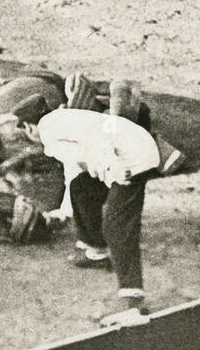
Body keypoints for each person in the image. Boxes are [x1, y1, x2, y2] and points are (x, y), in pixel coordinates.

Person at [52, 77, 161, 325]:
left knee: (118, 226)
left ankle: (133, 302)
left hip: (131, 163)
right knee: (81, 187)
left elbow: (112, 153)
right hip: (110, 160)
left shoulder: (78, 128)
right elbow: (76, 173)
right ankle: (96, 250)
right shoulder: (72, 128)